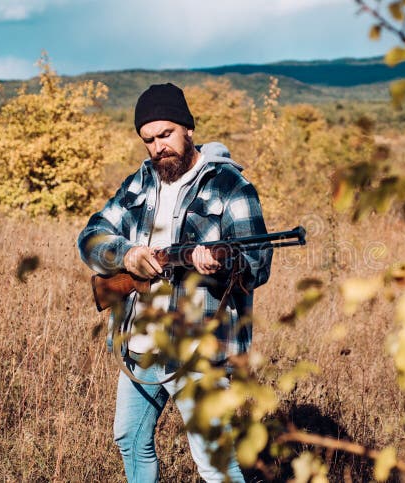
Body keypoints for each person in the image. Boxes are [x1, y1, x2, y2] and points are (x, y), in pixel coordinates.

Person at [77, 83, 272, 483]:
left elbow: (259, 263)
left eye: (165, 134)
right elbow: (91, 236)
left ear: (188, 129)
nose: (157, 147)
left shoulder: (229, 186)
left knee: (214, 464)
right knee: (130, 439)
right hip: (142, 343)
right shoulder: (139, 183)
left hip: (199, 349)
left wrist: (219, 263)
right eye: (148, 139)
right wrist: (126, 254)